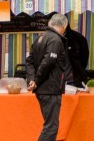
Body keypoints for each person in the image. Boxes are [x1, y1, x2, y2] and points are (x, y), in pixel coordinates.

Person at [27, 13, 72, 141]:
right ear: (64, 26)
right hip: (50, 88)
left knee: (50, 125)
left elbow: (29, 61)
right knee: (51, 127)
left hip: (42, 88)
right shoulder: (55, 40)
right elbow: (48, 62)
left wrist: (32, 79)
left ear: (49, 23)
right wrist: (35, 80)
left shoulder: (40, 38)